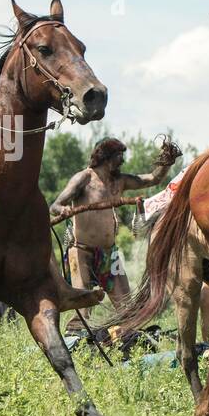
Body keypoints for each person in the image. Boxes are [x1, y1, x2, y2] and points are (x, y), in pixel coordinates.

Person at [51, 138, 177, 332]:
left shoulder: (120, 181)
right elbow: (56, 205)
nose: (122, 160)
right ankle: (75, 341)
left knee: (127, 308)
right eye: (119, 156)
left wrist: (166, 161)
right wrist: (63, 210)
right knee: (82, 309)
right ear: (105, 157)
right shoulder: (84, 178)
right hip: (81, 252)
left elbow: (153, 179)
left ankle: (125, 341)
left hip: (109, 254)